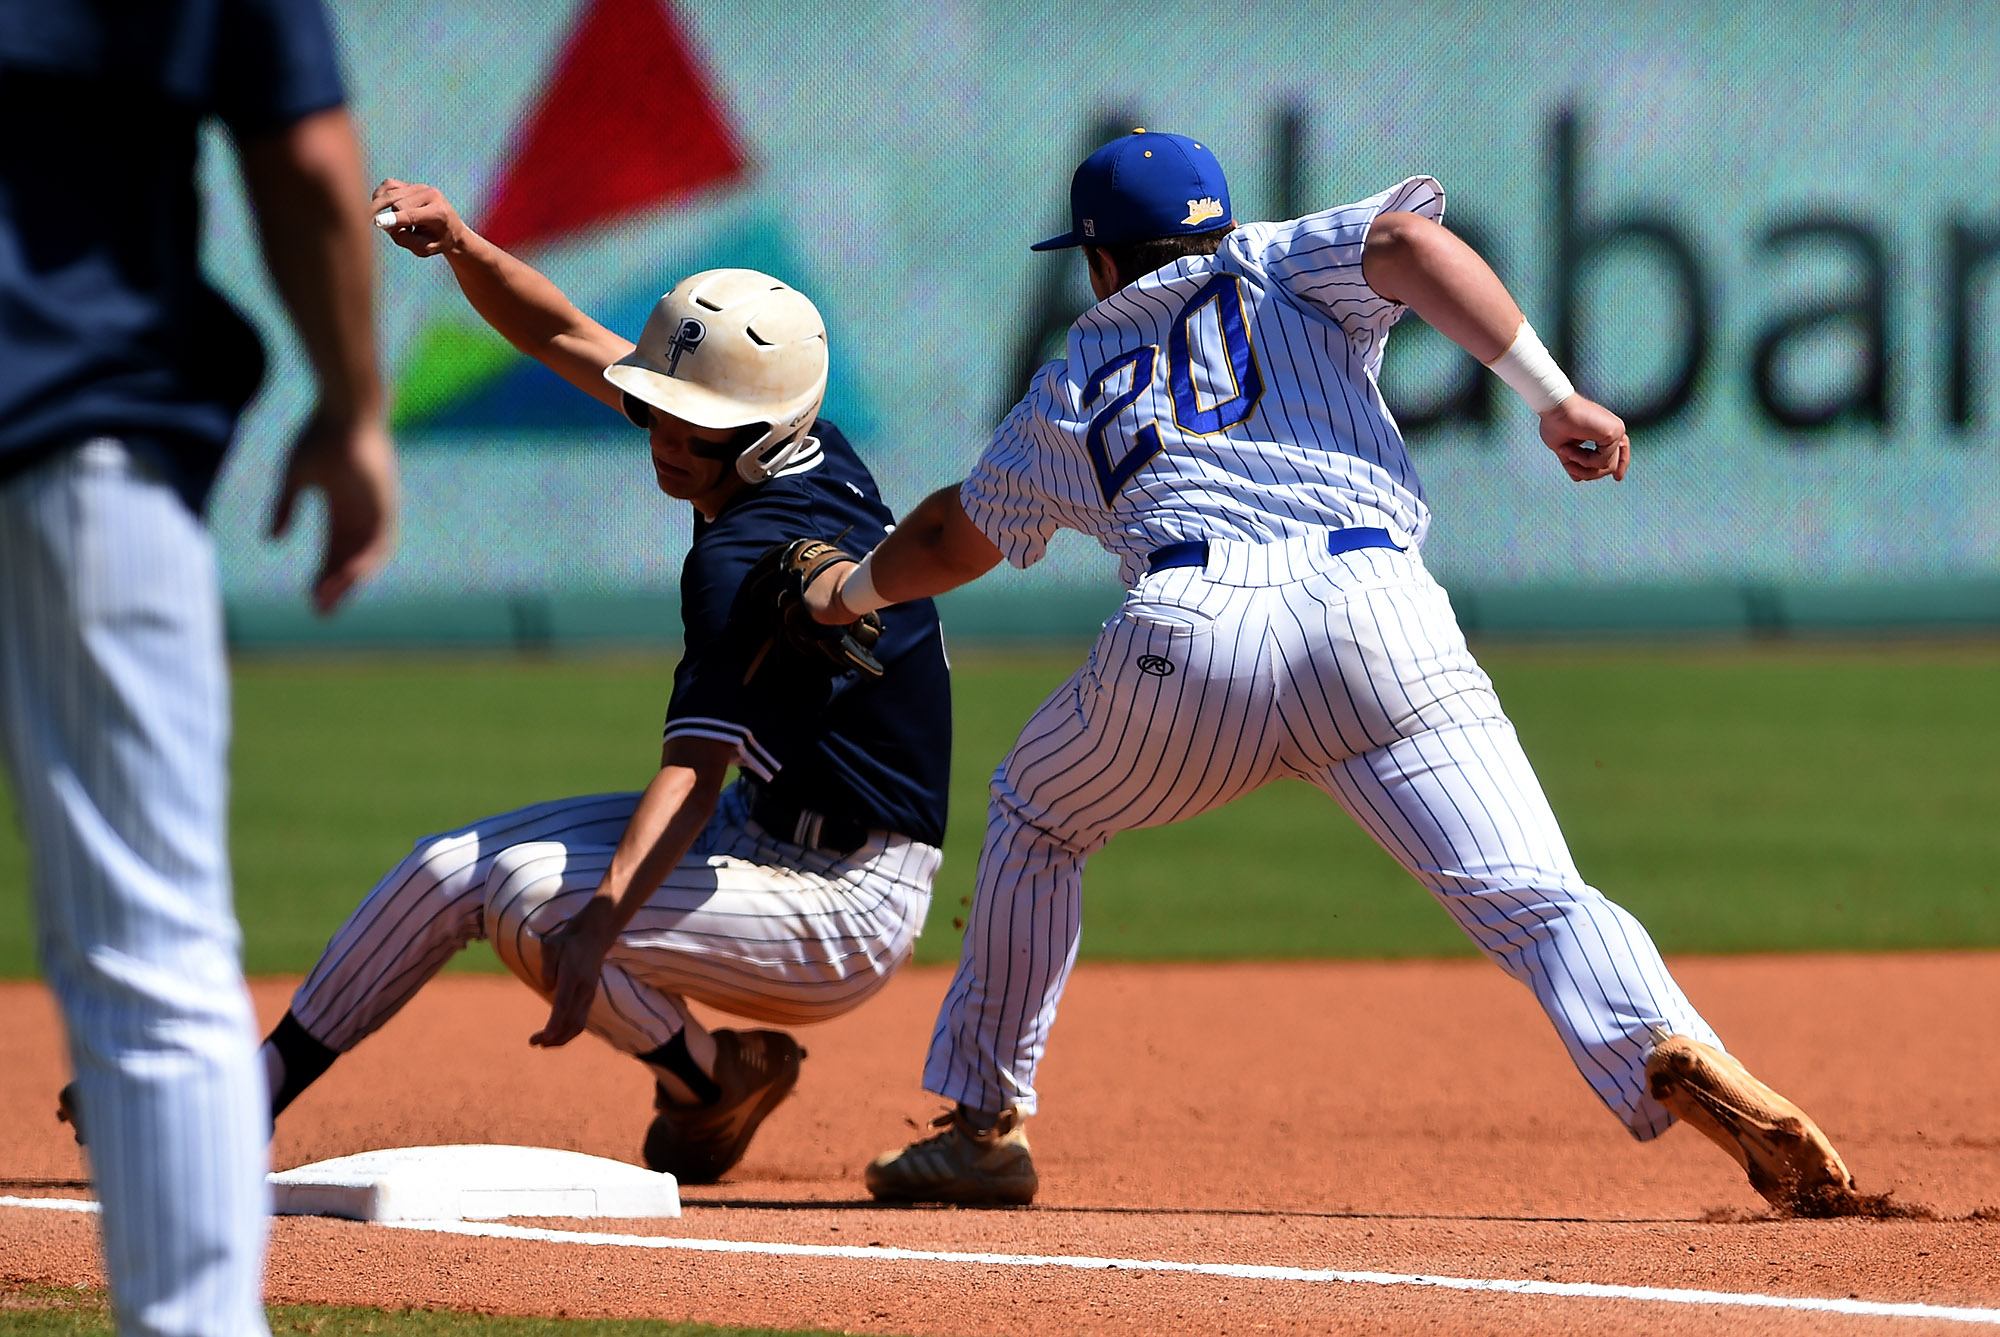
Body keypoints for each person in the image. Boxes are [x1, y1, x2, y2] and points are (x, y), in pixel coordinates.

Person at [802, 129, 1855, 1210]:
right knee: (1535, 895)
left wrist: (843, 594)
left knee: (1036, 812)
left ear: (1099, 261)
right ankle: (1662, 1039)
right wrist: (1550, 394)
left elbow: (948, 536)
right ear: (1210, 222)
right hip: (1376, 613)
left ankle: (982, 1124)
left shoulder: (1073, 375)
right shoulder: (1269, 258)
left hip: (1186, 633)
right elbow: (1404, 239)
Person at [244, 181, 952, 1184]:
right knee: (449, 869)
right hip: (757, 835)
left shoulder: (743, 554)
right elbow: (561, 333)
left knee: (537, 903)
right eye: (658, 407)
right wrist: (462, 245)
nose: (662, 435)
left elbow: (693, 771)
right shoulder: (776, 445)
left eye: (688, 420)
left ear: (757, 431)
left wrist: (601, 926)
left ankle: (707, 1078)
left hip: (846, 898)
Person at [1, 1, 396, 1332]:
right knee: (150, 945)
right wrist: (350, 410)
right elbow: (308, 163)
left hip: (73, 426)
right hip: (71, 422)